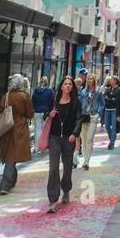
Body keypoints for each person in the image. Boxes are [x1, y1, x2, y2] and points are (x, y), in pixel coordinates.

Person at [45, 75, 82, 213]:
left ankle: (66, 189)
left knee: (67, 167)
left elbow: (79, 118)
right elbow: (45, 114)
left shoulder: (75, 102)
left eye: (70, 84)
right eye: (65, 84)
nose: (67, 86)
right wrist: (49, 114)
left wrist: (75, 133)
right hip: (54, 138)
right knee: (53, 167)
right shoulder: (54, 100)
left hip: (68, 138)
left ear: (72, 88)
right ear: (61, 86)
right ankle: (53, 200)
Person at [0, 73, 34, 195]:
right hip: (19, 128)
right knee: (12, 157)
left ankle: (11, 181)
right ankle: (5, 184)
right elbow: (30, 114)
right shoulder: (24, 96)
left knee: (10, 155)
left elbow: (0, 109)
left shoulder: (6, 96)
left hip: (7, 128)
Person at [78, 73, 104, 170]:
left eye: (91, 79)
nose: (89, 80)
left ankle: (87, 161)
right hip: (84, 117)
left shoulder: (98, 92)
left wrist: (98, 113)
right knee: (84, 140)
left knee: (89, 139)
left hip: (93, 117)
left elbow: (102, 104)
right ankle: (85, 160)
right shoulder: (83, 91)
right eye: (88, 79)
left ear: (94, 80)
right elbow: (79, 103)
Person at [33, 76, 55, 143]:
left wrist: (35, 108)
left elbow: (32, 101)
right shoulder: (50, 91)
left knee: (37, 129)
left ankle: (37, 147)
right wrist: (50, 110)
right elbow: (53, 101)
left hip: (36, 112)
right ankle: (42, 146)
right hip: (46, 113)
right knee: (45, 130)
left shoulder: (35, 91)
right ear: (47, 82)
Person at [102, 76, 120, 149]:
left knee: (114, 126)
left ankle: (112, 142)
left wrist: (109, 98)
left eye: (111, 80)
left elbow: (116, 100)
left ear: (115, 81)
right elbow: (105, 98)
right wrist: (111, 98)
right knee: (107, 126)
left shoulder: (118, 90)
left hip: (114, 110)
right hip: (107, 109)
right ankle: (112, 139)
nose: (110, 81)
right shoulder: (108, 88)